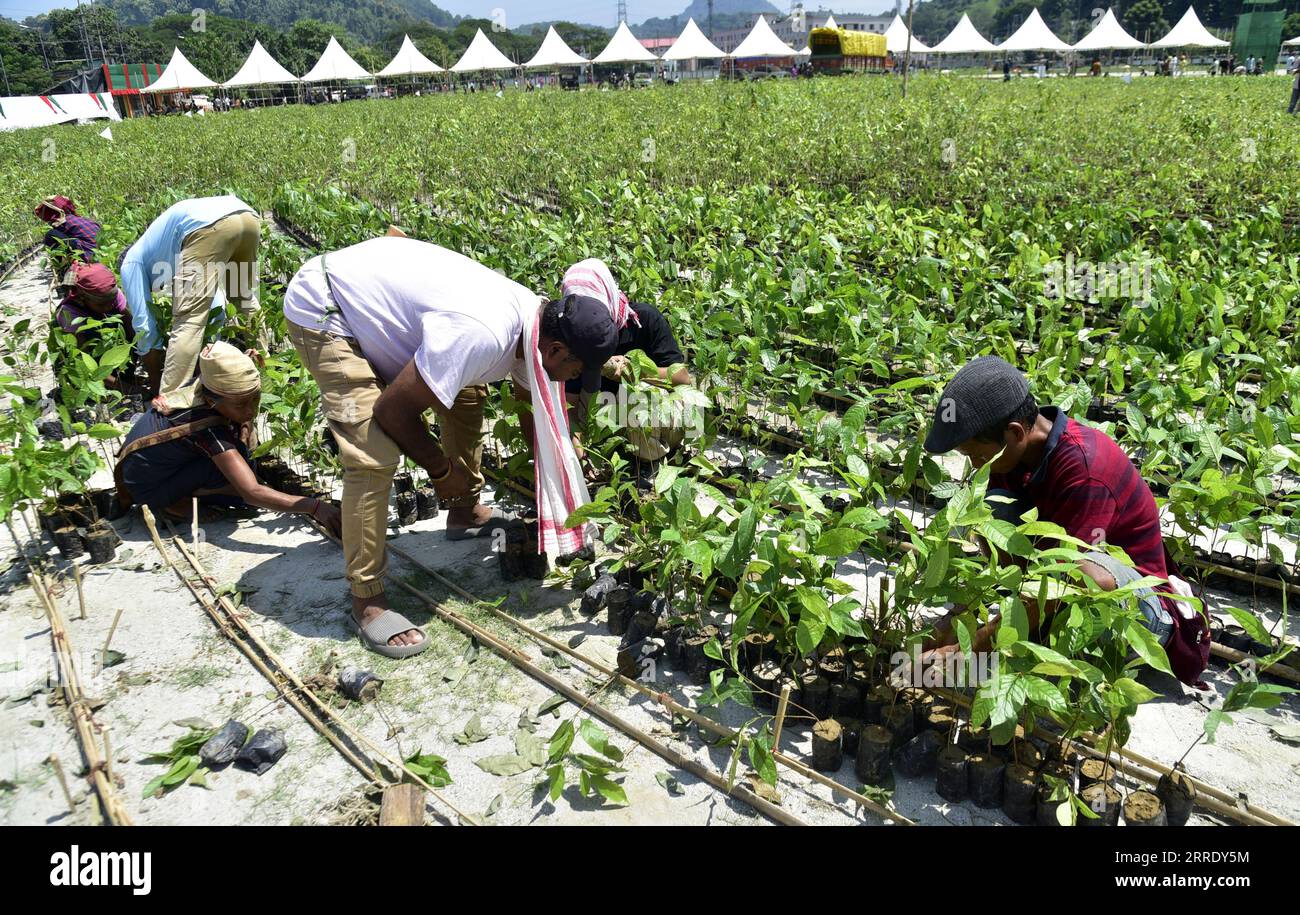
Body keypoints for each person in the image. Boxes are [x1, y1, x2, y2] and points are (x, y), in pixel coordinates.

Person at [282, 236, 619, 658]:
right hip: (328, 307)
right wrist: (441, 471)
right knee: (373, 453)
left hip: (377, 294)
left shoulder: (534, 325)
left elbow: (534, 413)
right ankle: (367, 600)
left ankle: (464, 511)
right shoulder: (481, 335)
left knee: (468, 394)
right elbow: (393, 411)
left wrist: (564, 483)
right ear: (555, 349)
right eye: (572, 370)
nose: (567, 380)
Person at [919, 356, 1210, 687]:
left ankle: (1061, 659)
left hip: (1142, 612)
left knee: (1087, 574)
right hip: (1059, 582)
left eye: (978, 455)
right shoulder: (1015, 457)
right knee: (988, 509)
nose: (975, 464)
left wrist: (969, 650)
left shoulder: (1087, 469)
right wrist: (960, 618)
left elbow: (1066, 582)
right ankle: (1029, 634)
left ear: (1014, 433)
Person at [117, 341, 342, 537]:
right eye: (241, 404)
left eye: (255, 399)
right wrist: (314, 507)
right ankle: (174, 502)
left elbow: (240, 393)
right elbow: (252, 492)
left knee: (242, 463)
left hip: (158, 466)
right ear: (212, 400)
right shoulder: (205, 426)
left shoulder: (210, 382)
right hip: (148, 486)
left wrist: (242, 419)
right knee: (241, 494)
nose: (251, 409)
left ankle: (200, 488)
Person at [118, 195, 262, 410]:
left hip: (208, 226)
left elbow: (145, 328)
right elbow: (214, 303)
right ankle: (262, 368)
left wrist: (158, 384)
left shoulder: (130, 263)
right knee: (243, 297)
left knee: (189, 320)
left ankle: (171, 400)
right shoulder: (163, 251)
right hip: (247, 217)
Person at [560, 259, 693, 469]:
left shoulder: (644, 319)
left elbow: (682, 378)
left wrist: (633, 371)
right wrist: (580, 454)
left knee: (640, 401)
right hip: (609, 415)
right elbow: (570, 405)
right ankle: (612, 449)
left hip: (650, 417)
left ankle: (647, 454)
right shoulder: (575, 339)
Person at [34, 196, 100, 284]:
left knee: (50, 235)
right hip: (99, 253)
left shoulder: (63, 222)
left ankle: (63, 270)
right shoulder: (82, 219)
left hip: (87, 256)